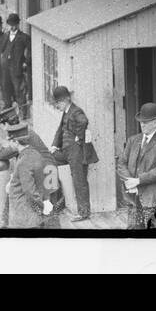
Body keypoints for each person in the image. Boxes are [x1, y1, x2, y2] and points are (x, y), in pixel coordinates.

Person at [116, 103, 156, 230]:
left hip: (152, 197)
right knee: (133, 231)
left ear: (155, 122)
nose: (142, 125)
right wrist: (129, 181)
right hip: (132, 196)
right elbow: (121, 163)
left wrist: (138, 180)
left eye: (146, 122)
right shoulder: (132, 140)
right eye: (141, 122)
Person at [4, 121, 59, 229]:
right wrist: (45, 201)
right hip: (32, 215)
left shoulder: (24, 161)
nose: (9, 145)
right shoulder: (36, 154)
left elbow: (29, 190)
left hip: (22, 217)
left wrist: (42, 206)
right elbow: (40, 185)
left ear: (15, 141)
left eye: (10, 141)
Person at [50, 85, 91, 222]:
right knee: (48, 161)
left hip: (76, 152)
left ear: (66, 100)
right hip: (65, 151)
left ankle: (83, 213)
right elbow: (60, 130)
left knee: (79, 181)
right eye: (57, 103)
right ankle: (56, 201)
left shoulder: (75, 111)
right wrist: (54, 146)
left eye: (59, 102)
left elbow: (84, 122)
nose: (57, 105)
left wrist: (78, 138)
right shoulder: (66, 112)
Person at [0, 13, 31, 113]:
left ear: (18, 25)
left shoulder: (24, 37)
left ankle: (23, 111)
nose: (12, 27)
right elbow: (1, 49)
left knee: (19, 89)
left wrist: (26, 62)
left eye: (14, 25)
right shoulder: (5, 36)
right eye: (10, 25)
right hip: (5, 68)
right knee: (6, 87)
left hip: (17, 67)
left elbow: (31, 50)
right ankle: (8, 109)